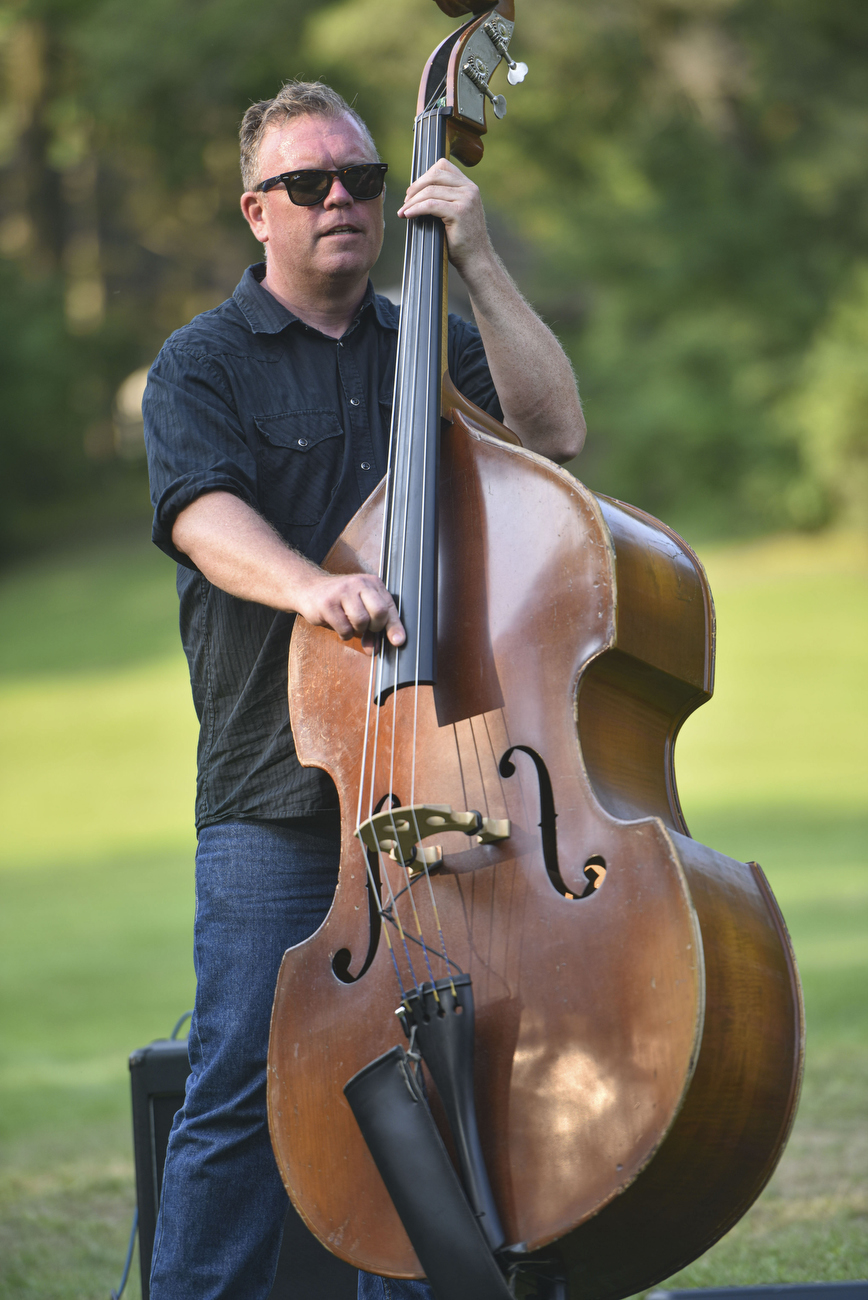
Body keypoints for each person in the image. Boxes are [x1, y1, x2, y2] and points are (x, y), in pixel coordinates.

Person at [143, 79, 585, 1300]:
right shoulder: (202, 365)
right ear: (256, 210)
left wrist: (481, 262)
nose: (340, 198)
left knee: (437, 1079)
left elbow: (553, 438)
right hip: (273, 792)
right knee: (238, 1084)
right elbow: (200, 518)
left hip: (444, 776)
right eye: (307, 183)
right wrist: (309, 587)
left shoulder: (424, 337)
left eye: (361, 179)